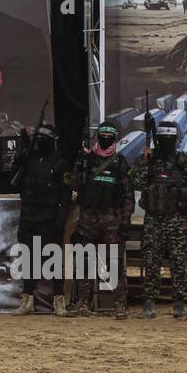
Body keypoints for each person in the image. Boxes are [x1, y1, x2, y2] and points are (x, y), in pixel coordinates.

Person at [130, 124, 187, 319]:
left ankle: (179, 303)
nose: (166, 142)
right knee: (151, 261)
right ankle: (149, 302)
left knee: (179, 262)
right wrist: (144, 162)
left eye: (170, 138)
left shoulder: (184, 162)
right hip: (154, 218)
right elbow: (137, 183)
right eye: (163, 138)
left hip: (177, 219)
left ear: (176, 139)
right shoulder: (149, 161)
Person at [64, 122, 131, 319]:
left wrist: (125, 222)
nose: (106, 138)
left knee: (115, 264)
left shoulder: (120, 163)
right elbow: (74, 184)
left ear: (115, 138)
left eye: (109, 135)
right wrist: (80, 162)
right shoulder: (87, 160)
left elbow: (128, 196)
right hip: (88, 220)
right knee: (85, 262)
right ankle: (83, 302)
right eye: (102, 134)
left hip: (112, 221)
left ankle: (120, 304)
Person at [12, 124, 70, 316]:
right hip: (29, 218)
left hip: (49, 219)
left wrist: (60, 222)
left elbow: (65, 196)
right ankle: (27, 300)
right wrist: (18, 161)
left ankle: (59, 301)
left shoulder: (60, 163)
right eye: (39, 138)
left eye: (45, 139)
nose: (41, 142)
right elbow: (17, 184)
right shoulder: (30, 160)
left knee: (53, 261)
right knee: (29, 261)